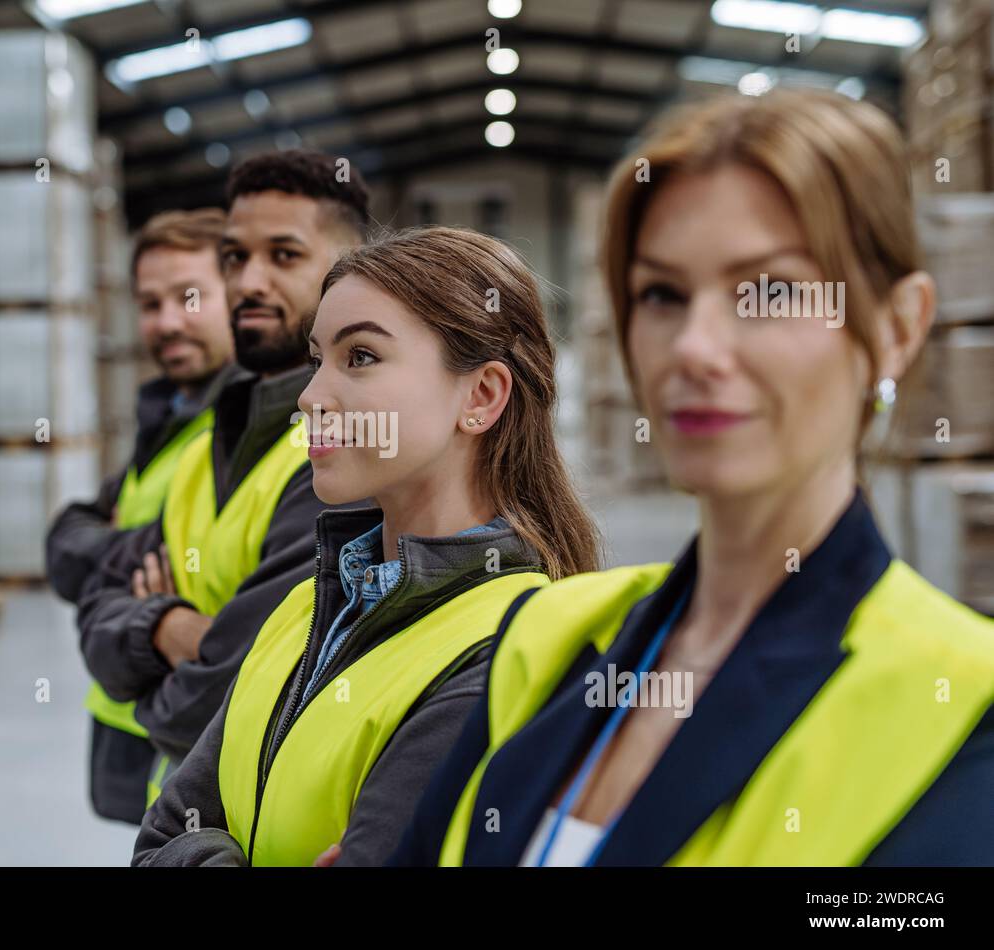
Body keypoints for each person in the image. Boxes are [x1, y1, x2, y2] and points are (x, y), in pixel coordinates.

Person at [394, 89, 994, 867]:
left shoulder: (961, 705)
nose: (694, 349)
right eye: (663, 296)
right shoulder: (549, 640)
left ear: (898, 327)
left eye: (768, 292)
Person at [132, 226, 601, 866]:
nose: (310, 397)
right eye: (316, 359)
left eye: (360, 358)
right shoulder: (310, 604)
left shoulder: (502, 656)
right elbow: (160, 833)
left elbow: (177, 844)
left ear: (481, 396)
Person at [77, 149, 371, 812]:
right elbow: (97, 606)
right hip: (183, 821)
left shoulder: (340, 458)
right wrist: (170, 627)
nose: (248, 282)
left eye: (284, 256)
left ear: (350, 272)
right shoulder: (207, 441)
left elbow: (235, 693)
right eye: (234, 258)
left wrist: (152, 657)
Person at [45, 207, 234, 824]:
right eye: (149, 304)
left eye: (188, 297)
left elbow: (90, 553)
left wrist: (107, 556)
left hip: (189, 729)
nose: (167, 322)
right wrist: (121, 562)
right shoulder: (167, 417)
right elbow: (66, 545)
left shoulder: (236, 438)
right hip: (129, 708)